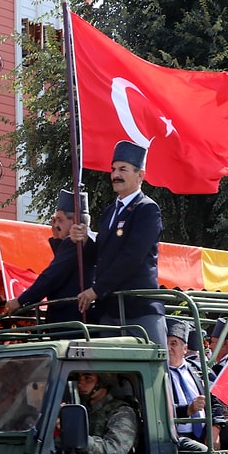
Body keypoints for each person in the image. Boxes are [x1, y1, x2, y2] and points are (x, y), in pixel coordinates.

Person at [73, 140, 165, 343]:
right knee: (109, 373)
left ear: (140, 175)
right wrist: (83, 240)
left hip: (139, 309)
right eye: (113, 169)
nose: (115, 175)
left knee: (153, 371)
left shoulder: (147, 209)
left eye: (123, 169)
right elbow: (102, 254)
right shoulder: (109, 212)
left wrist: (96, 290)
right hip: (111, 309)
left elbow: (132, 257)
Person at [6, 189, 96, 324]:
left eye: (60, 220)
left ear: (75, 220)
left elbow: (52, 276)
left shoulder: (74, 242)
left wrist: (20, 301)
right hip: (80, 317)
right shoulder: (90, 239)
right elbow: (66, 266)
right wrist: (57, 239)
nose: (56, 225)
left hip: (69, 319)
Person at [74, 372, 138, 454]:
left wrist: (76, 436)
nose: (80, 383)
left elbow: (114, 450)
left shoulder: (122, 412)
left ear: (103, 382)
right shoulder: (81, 409)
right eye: (79, 378)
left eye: (87, 378)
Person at [166, 320, 206, 442]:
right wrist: (188, 409)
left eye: (173, 343)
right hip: (178, 436)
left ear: (185, 349)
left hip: (205, 432)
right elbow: (160, 409)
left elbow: (214, 401)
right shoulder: (160, 375)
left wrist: (216, 428)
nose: (168, 348)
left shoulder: (198, 369)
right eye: (165, 343)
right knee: (203, 452)